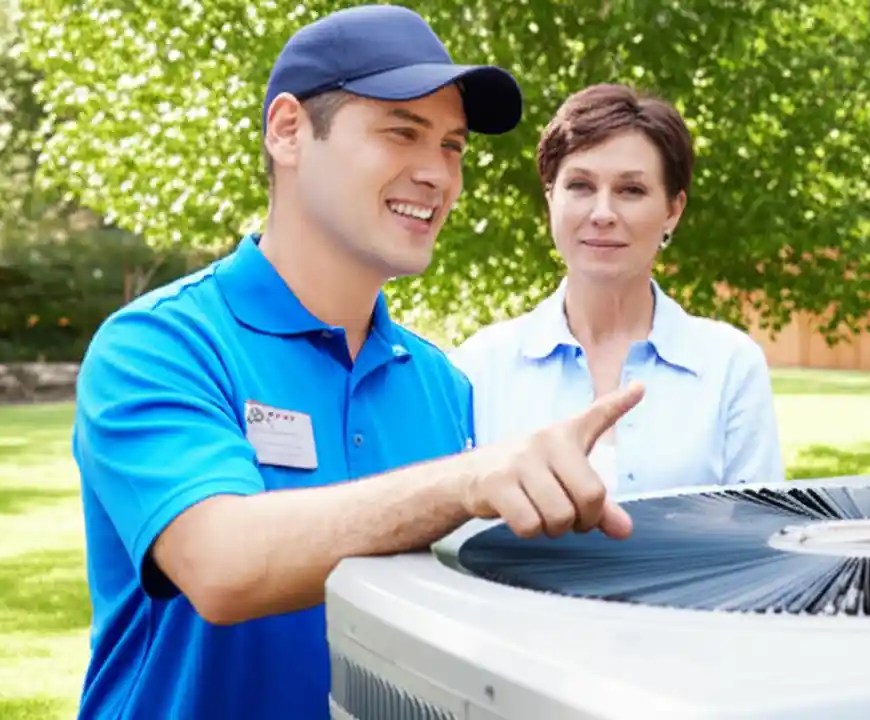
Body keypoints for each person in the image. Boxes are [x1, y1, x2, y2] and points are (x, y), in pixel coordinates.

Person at [70, 7, 642, 720]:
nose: (437, 174)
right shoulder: (160, 347)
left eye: (453, 146)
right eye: (401, 132)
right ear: (288, 131)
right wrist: (469, 481)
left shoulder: (439, 386)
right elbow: (223, 567)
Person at [450, 84, 785, 497]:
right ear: (551, 197)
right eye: (580, 186)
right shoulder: (481, 366)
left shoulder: (730, 367)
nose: (603, 213)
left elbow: (760, 543)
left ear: (673, 211)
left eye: (631, 190)